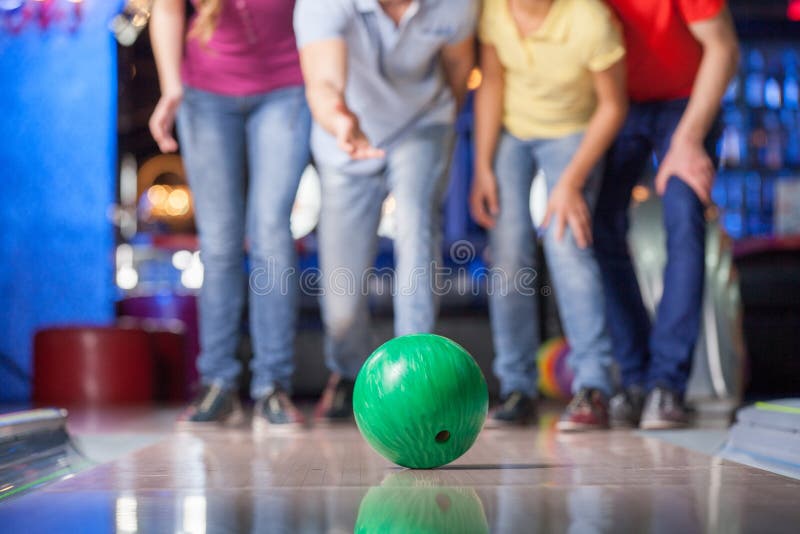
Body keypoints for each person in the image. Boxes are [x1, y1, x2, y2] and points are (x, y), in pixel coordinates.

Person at [294, 0, 478, 423]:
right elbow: (323, 84)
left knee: (417, 223)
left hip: (422, 124)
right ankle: (348, 373)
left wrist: (443, 126)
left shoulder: (457, 4)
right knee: (341, 307)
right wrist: (341, 122)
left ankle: (416, 378)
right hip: (346, 132)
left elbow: (458, 66)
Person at [149, 0, 311, 429]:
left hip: (287, 87)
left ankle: (272, 385)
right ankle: (217, 383)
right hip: (205, 94)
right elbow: (167, 11)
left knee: (271, 233)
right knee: (219, 242)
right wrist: (171, 88)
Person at [471, 0, 628, 430]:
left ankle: (594, 386)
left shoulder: (589, 20)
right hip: (513, 133)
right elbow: (491, 83)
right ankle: (517, 387)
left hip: (574, 132)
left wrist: (571, 181)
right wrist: (483, 164)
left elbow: (614, 106)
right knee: (507, 251)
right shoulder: (494, 10)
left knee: (566, 241)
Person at [593, 0, 739, 429]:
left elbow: (724, 49)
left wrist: (688, 139)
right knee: (597, 222)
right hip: (618, 103)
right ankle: (635, 380)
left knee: (684, 216)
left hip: (687, 100)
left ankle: (666, 385)